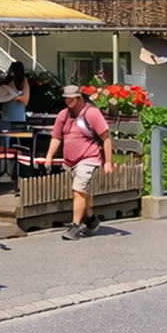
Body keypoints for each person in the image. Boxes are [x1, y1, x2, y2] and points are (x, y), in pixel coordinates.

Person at [41, 84, 114, 240]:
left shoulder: (91, 113)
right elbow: (56, 137)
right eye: (66, 99)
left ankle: (75, 227)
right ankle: (90, 219)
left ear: (79, 98)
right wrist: (49, 156)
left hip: (89, 157)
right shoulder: (63, 115)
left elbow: (106, 138)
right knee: (82, 192)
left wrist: (108, 162)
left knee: (78, 191)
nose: (68, 102)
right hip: (70, 161)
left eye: (71, 99)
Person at [0, 62, 31, 129]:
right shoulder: (6, 82)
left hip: (18, 119)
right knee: (5, 138)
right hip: (6, 118)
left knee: (16, 138)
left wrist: (15, 97)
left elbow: (25, 100)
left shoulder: (23, 82)